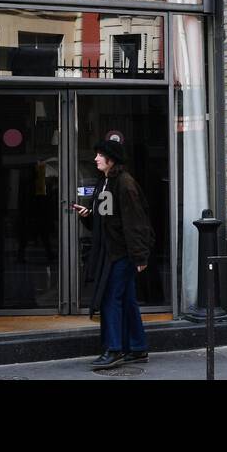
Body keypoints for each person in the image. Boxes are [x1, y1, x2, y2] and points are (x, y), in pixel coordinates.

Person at [73, 136, 155, 369]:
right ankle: (137, 348)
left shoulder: (125, 184)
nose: (96, 158)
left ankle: (114, 349)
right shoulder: (105, 182)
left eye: (100, 154)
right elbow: (108, 217)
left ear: (112, 159)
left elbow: (135, 221)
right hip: (111, 251)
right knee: (126, 300)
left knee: (110, 299)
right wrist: (89, 214)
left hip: (120, 253)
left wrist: (140, 255)